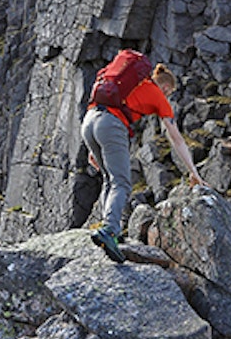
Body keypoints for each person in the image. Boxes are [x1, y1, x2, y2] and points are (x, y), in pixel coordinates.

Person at [81, 59, 205, 262]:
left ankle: (112, 230)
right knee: (121, 183)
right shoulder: (157, 95)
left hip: (90, 121)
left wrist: (92, 147)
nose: (167, 96)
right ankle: (109, 231)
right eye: (169, 93)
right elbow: (176, 139)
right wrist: (194, 171)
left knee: (109, 179)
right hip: (111, 125)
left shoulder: (130, 85)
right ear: (166, 87)